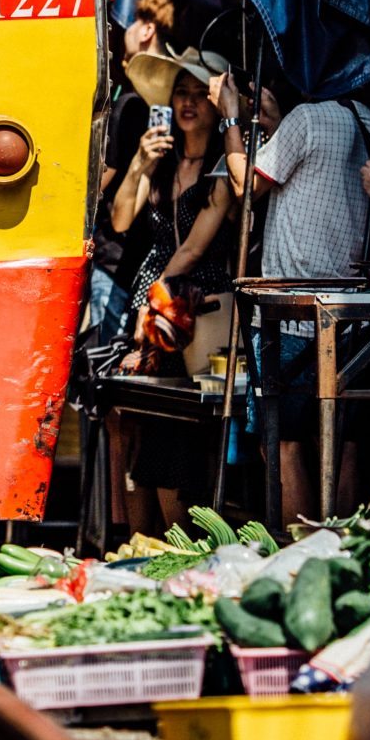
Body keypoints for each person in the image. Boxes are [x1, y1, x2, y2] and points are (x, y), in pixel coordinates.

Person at [216, 70, 370, 525]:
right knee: (341, 444)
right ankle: (345, 551)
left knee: (283, 443)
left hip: (289, 313)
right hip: (349, 314)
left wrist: (229, 119)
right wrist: (274, 126)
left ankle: (300, 549)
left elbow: (245, 185)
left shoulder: (308, 118)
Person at [105, 54, 234, 532]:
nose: (188, 102)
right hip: (153, 309)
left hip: (198, 308)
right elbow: (119, 220)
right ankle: (139, 547)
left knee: (182, 432)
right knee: (140, 428)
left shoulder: (222, 167)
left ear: (217, 105)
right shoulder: (163, 164)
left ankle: (182, 542)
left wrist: (154, 305)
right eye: (181, 93)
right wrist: (140, 161)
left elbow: (197, 248)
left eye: (200, 93)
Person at [85, 0, 178, 352]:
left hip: (119, 259)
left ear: (146, 30)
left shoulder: (129, 103)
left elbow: (102, 182)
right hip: (148, 259)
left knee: (105, 359)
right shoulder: (166, 104)